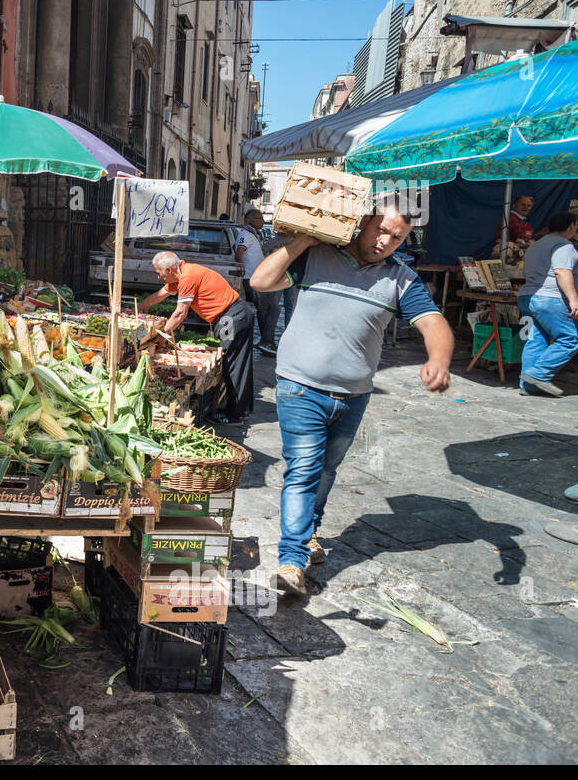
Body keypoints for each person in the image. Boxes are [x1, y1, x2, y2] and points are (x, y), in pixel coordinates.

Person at [250, 202, 453, 596]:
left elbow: (433, 322)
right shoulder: (314, 258)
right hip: (299, 386)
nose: (385, 242)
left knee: (326, 469)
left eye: (397, 238)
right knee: (304, 469)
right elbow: (261, 281)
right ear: (363, 223)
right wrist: (303, 239)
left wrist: (439, 359)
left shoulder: (401, 279)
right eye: (381, 230)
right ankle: (291, 561)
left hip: (354, 396)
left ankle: (309, 533)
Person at [139, 252, 255, 422]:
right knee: (237, 362)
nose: (158, 277)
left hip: (231, 317)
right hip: (231, 316)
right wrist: (139, 307)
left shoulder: (187, 277)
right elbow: (159, 296)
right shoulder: (178, 277)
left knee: (234, 364)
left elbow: (180, 313)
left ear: (170, 270)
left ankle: (236, 414)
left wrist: (163, 335)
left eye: (159, 273)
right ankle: (241, 408)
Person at [516, 210, 578, 397]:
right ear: (571, 226)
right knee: (569, 339)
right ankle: (537, 375)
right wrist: (574, 298)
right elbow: (561, 272)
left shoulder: (535, 246)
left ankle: (528, 386)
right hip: (549, 299)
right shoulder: (564, 246)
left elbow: (526, 273)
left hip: (527, 297)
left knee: (535, 339)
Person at [236, 207, 280, 354]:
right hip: (252, 278)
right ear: (253, 220)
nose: (263, 221)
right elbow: (239, 253)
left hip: (256, 277)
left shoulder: (252, 234)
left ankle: (266, 341)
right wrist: (246, 269)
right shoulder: (246, 235)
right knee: (269, 309)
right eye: (260, 218)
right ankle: (267, 342)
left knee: (267, 309)